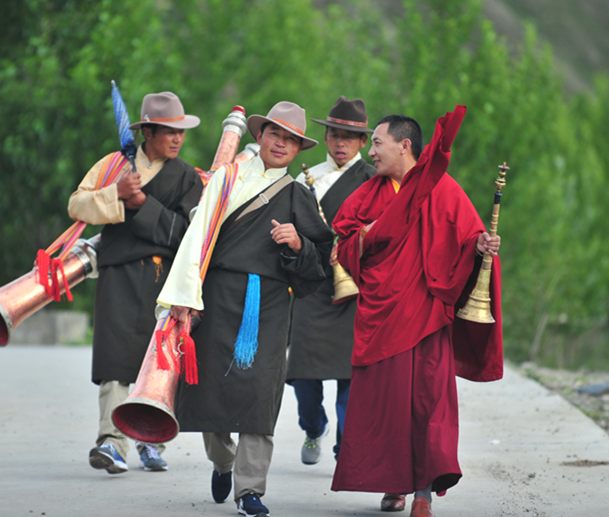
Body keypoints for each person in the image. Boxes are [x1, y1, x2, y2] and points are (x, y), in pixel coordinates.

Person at [157, 101, 334, 517]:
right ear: (261, 136)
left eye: (291, 140)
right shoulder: (228, 178)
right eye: (276, 134)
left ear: (297, 150)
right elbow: (196, 236)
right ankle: (223, 461)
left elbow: (321, 261)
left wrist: (299, 245)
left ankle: (250, 489)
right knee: (211, 391)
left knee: (259, 396)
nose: (282, 144)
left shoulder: (297, 194)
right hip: (216, 297)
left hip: (268, 305)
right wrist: (183, 298)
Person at [330, 109, 504, 517]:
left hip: (427, 317)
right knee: (386, 404)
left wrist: (481, 246)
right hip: (383, 316)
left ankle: (423, 492)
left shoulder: (442, 189)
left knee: (429, 403)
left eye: (377, 142)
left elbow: (468, 236)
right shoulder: (369, 193)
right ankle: (394, 485)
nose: (370, 151)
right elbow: (345, 242)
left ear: (404, 145)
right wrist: (369, 234)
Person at [68, 91, 203, 475]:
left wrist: (144, 206)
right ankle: (111, 443)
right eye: (169, 132)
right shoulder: (114, 166)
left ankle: (150, 440)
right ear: (147, 132)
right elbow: (77, 204)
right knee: (115, 360)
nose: (177, 140)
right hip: (117, 275)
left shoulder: (188, 176)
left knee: (157, 363)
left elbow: (188, 234)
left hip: (164, 279)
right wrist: (116, 194)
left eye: (181, 133)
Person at [287, 96, 376, 465]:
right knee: (304, 378)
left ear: (363, 143)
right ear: (326, 138)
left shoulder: (375, 180)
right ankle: (313, 427)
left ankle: (345, 447)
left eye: (349, 137)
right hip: (312, 286)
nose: (341, 143)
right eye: (335, 135)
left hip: (356, 289)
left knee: (350, 382)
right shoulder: (304, 181)